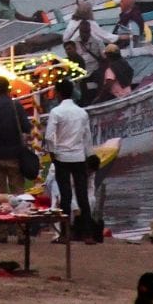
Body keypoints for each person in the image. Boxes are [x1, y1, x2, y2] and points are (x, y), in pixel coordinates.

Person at [44, 80, 97, 242]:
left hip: (62, 158)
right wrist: (89, 156)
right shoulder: (82, 113)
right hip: (79, 157)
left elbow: (49, 137)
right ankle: (88, 234)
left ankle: (65, 234)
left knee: (65, 196)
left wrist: (53, 154)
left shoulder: (56, 112)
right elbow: (87, 137)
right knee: (82, 196)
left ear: (59, 93)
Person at [0, 76, 30, 196]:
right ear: (8, 88)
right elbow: (26, 127)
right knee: (18, 193)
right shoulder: (16, 105)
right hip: (15, 153)